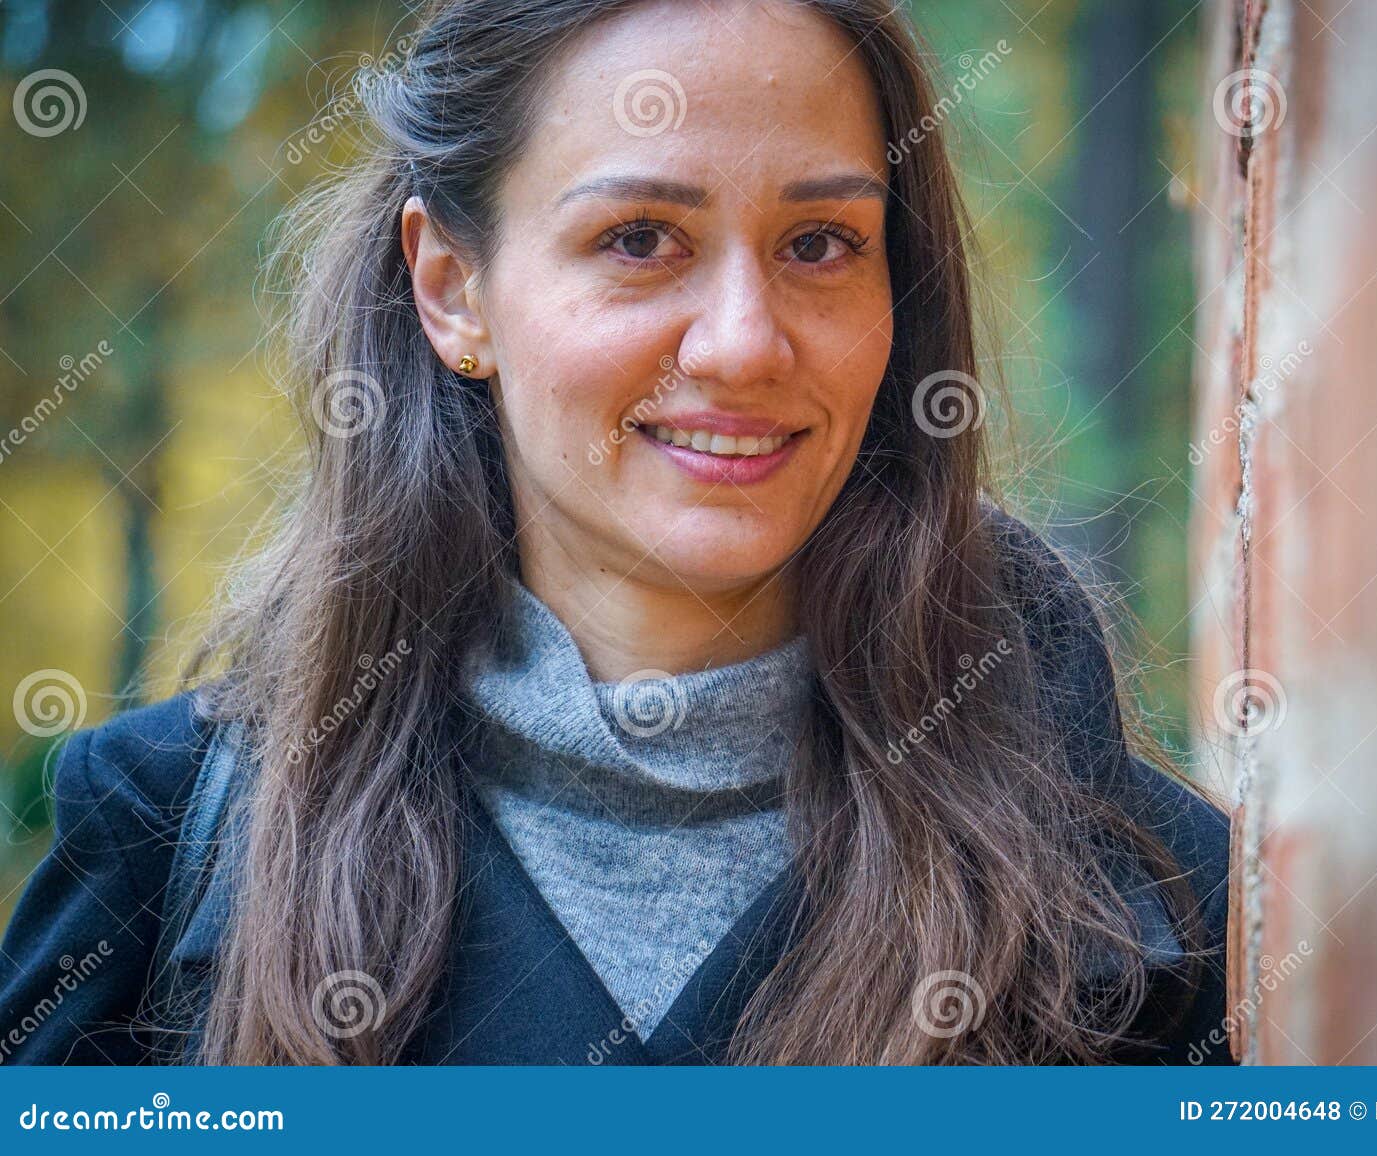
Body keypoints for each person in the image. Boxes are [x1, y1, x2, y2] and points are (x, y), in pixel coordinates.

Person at [0, 0, 1232, 1065]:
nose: (744, 342)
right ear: (451, 287)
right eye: (639, 239)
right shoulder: (168, 856)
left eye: (820, 243)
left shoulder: (1159, 909)